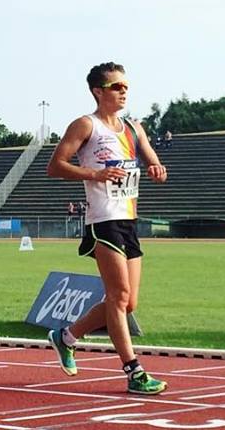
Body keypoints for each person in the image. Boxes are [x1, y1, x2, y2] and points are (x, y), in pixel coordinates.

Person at [45, 62, 169, 395]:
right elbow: (55, 167)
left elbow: (152, 160)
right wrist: (94, 174)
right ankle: (134, 372)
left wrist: (157, 168)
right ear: (98, 92)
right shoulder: (86, 125)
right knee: (118, 296)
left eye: (126, 85)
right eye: (116, 86)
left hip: (128, 221)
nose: (123, 91)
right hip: (103, 220)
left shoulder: (134, 128)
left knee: (128, 304)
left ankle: (66, 336)